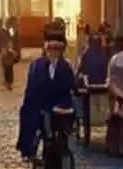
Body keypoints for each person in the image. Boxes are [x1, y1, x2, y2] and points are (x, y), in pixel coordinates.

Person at [16, 28, 77, 161]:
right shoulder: (37, 65)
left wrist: (61, 104)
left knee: (64, 120)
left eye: (57, 49)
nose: (53, 53)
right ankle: (29, 149)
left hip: (60, 104)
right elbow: (32, 89)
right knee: (29, 115)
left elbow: (69, 87)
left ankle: (60, 147)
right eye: (51, 49)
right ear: (46, 49)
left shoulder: (65, 66)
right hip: (40, 102)